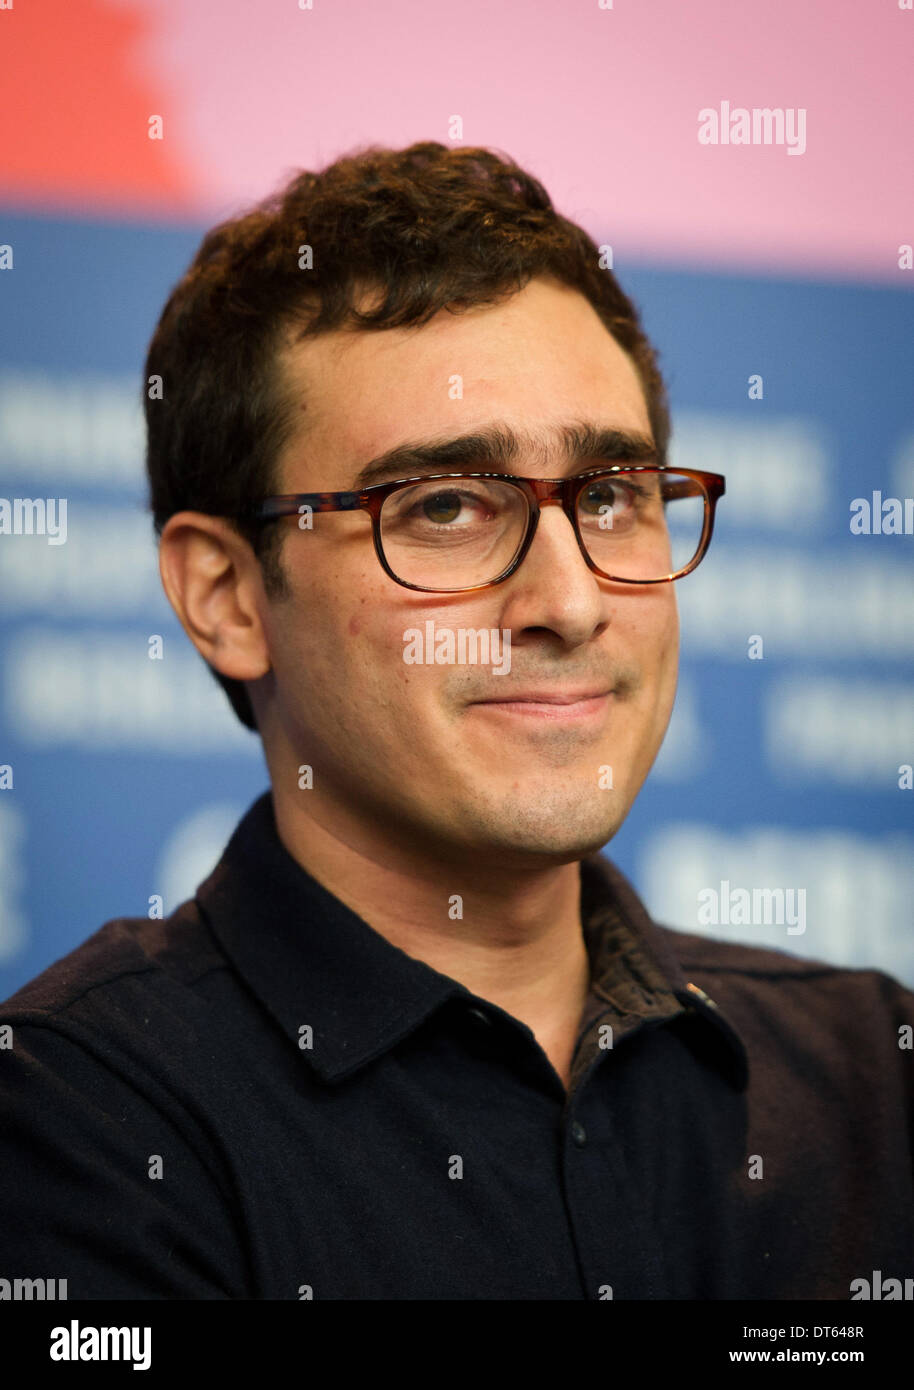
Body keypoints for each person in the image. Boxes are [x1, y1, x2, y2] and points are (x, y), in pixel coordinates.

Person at [0, 142, 910, 1301]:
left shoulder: (873, 1077)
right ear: (229, 598)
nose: (570, 602)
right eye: (442, 507)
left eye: (609, 496)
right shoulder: (72, 1122)